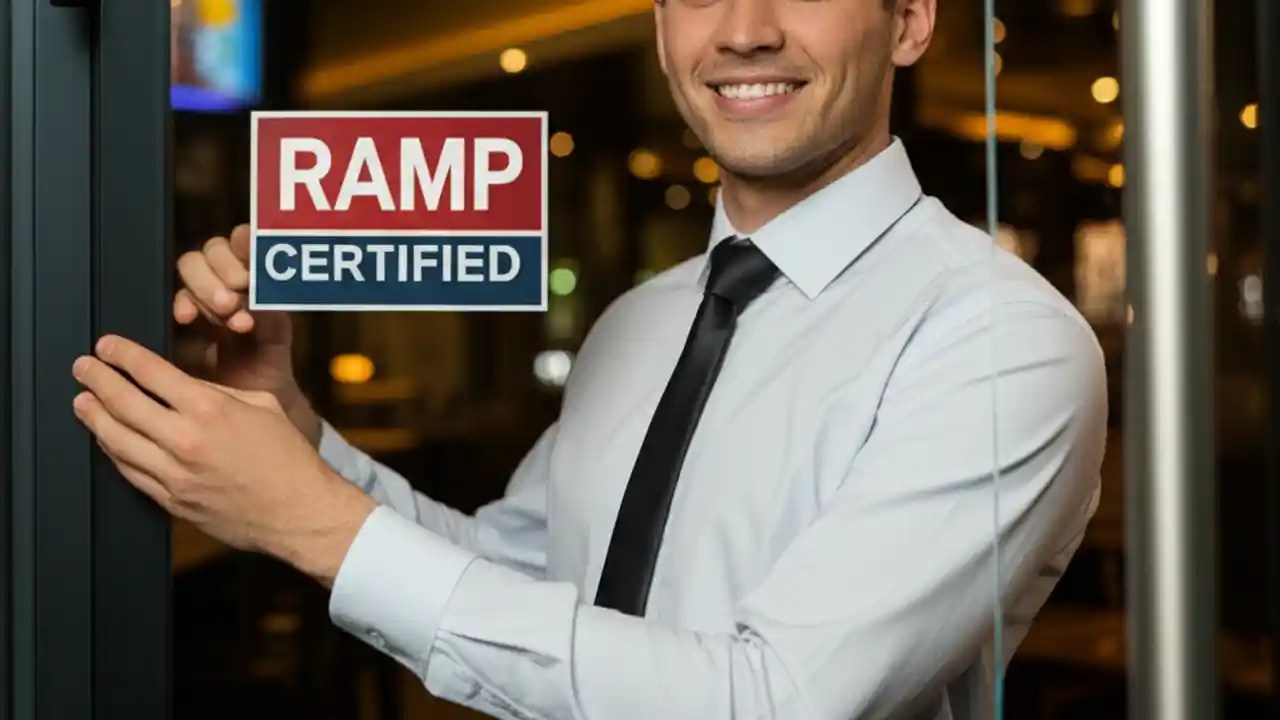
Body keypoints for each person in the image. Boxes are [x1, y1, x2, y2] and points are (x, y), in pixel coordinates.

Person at [70, 0, 1107, 717]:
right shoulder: (640, 323)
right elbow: (518, 574)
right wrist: (294, 432)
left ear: (911, 20)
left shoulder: (997, 339)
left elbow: (774, 703)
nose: (743, 31)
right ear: (661, 34)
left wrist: (311, 521)